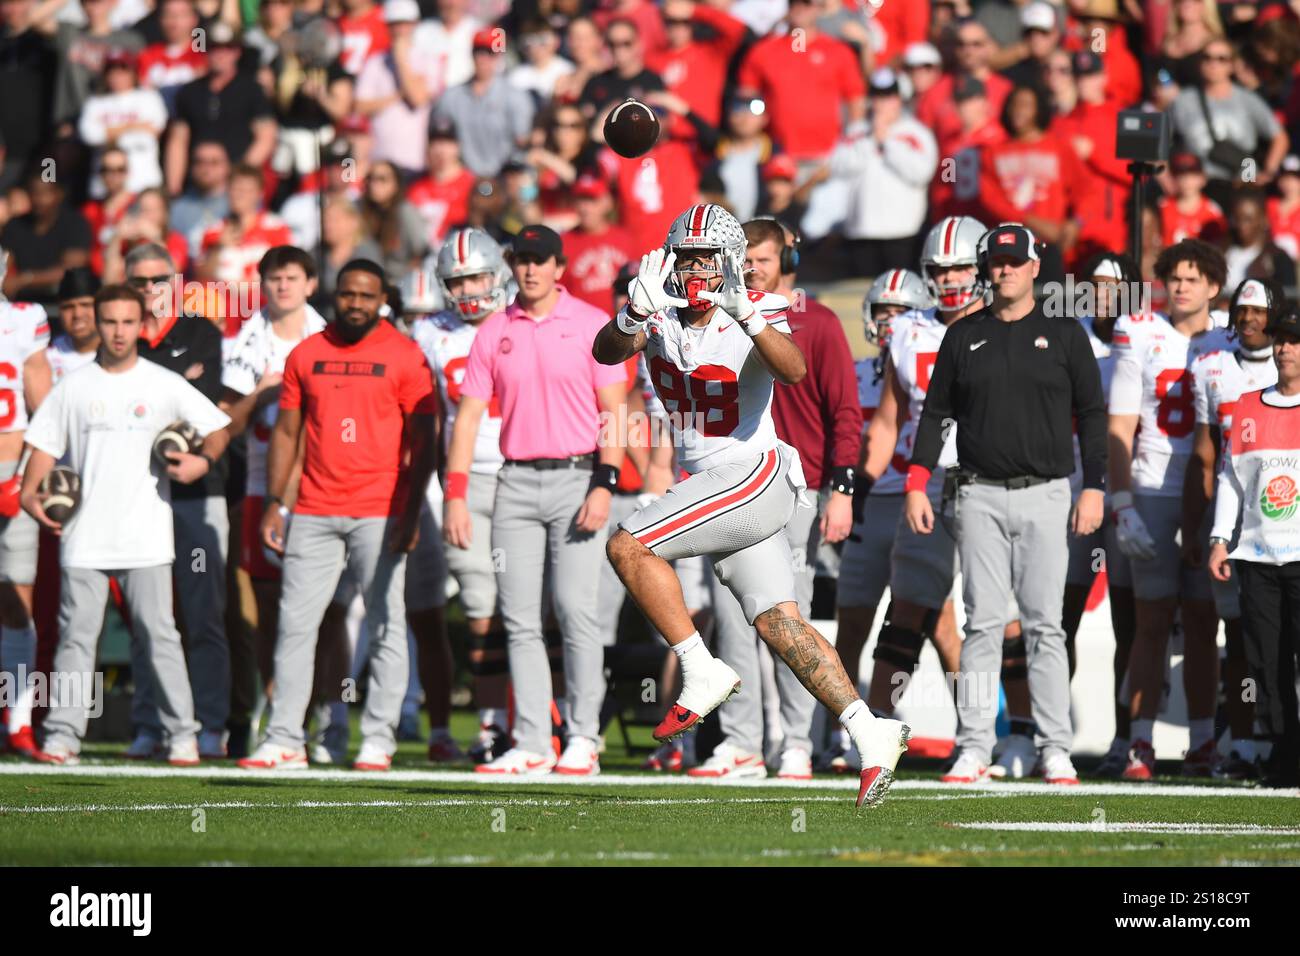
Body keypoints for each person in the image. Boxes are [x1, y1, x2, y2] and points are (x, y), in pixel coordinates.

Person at [593, 203, 910, 807]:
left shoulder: (757, 307)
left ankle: (700, 665)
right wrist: (634, 310)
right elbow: (607, 351)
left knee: (627, 544)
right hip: (716, 486)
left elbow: (792, 370)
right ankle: (871, 731)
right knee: (779, 624)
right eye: (685, 258)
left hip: (752, 473)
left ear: (730, 263)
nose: (693, 271)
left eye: (705, 259)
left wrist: (743, 311)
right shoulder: (656, 311)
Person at [904, 222, 1107, 787]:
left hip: (1047, 492)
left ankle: (1054, 746)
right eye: (995, 262)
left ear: (1035, 267)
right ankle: (973, 745)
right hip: (978, 494)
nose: (1004, 270)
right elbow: (935, 412)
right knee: (983, 625)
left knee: (1044, 625)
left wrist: (1095, 486)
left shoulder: (1066, 335)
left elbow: (1092, 413)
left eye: (1014, 261)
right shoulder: (963, 335)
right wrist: (917, 481)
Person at [22, 284, 232, 766]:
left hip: (147, 537)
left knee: (160, 637)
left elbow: (218, 429)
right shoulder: (73, 386)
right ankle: (62, 736)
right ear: (98, 323)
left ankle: (182, 735)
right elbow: (42, 454)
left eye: (127, 322)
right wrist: (36, 501)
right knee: (76, 640)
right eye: (110, 322)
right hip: (83, 538)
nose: (118, 332)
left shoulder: (162, 382)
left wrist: (202, 462)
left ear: (142, 325)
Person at [241, 258, 437, 771]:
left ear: (382, 300)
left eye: (366, 296)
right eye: (348, 294)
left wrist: (412, 512)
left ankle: (379, 738)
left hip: (381, 510)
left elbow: (425, 441)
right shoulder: (306, 354)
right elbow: (287, 432)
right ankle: (284, 738)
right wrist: (275, 504)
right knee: (295, 625)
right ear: (335, 295)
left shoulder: (405, 355)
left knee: (386, 621)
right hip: (312, 506)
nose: (355, 303)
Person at [444, 224, 625, 776]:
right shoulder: (494, 330)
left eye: (539, 260)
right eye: (521, 260)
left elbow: (613, 409)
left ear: (559, 267)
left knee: (575, 610)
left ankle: (583, 738)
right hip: (515, 482)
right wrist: (455, 493)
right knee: (519, 618)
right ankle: (530, 741)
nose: (529, 270)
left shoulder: (595, 325)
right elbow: (469, 415)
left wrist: (606, 481)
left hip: (577, 479)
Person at [857, 216, 984, 763]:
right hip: (924, 483)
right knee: (908, 609)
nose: (951, 279)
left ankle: (1002, 735)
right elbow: (888, 420)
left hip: (989, 482)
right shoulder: (910, 329)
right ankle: (879, 728)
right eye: (941, 269)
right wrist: (856, 484)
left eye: (961, 268)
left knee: (997, 618)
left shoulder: (1006, 324)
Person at [1107, 238, 1235, 779]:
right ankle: (1140, 741)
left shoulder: (1234, 333)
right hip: (1155, 488)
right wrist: (1121, 502)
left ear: (1212, 285)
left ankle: (1204, 741)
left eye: (1192, 277)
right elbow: (1120, 426)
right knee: (1150, 620)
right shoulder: (1139, 331)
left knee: (1205, 622)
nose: (1181, 286)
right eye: (1173, 277)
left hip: (1214, 495)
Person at [124, 242, 233, 759]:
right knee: (148, 617)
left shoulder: (201, 332)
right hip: (139, 493)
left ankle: (211, 723)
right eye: (139, 281)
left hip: (196, 488)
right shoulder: (120, 342)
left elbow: (204, 414)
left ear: (176, 281)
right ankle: (153, 722)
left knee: (203, 612)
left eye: (157, 279)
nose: (149, 290)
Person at [218, 245, 327, 753]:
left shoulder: (325, 336)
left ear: (309, 283)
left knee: (318, 608)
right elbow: (224, 427)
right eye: (274, 278)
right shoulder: (249, 339)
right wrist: (261, 394)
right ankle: (271, 704)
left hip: (319, 488)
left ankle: (322, 712)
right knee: (263, 608)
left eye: (292, 277)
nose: (283, 286)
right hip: (262, 485)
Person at [412, 228, 513, 763]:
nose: (470, 288)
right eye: (458, 280)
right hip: (463, 477)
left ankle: (549, 720)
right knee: (479, 607)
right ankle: (492, 724)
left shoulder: (524, 320)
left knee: (534, 608)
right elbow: (423, 417)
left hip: (525, 472)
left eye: (476, 275)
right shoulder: (431, 332)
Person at [830, 267, 932, 772]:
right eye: (883, 311)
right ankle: (844, 727)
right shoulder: (854, 370)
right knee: (852, 620)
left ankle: (985, 733)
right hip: (871, 502)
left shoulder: (931, 364)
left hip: (920, 501)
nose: (890, 321)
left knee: (937, 623)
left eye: (902, 311)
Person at [1185, 277, 1282, 779]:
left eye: (1259, 312)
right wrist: (1194, 526)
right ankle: (1245, 740)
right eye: (1241, 312)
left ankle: (1280, 740)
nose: (1249, 320)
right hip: (1237, 521)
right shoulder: (1213, 368)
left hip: (1286, 520)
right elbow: (1206, 458)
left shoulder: (1290, 366)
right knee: (1242, 639)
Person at [1208, 306, 1300, 788]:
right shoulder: (1248, 406)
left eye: (1294, 340)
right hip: (1258, 557)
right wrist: (1220, 539)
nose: (1284, 347)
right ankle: (1286, 758)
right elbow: (1231, 481)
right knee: (1268, 662)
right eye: (1281, 339)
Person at [1059, 251, 1138, 778]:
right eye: (1095, 284)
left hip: (1127, 487)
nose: (1103, 293)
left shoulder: (1146, 336)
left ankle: (1128, 737)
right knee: (1057, 614)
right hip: (1070, 486)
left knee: (1129, 621)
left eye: (1113, 284)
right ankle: (1051, 736)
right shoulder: (1069, 334)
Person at [0, 270, 50, 759]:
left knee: (16, 601)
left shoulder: (22, 320)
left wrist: (23, 480)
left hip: (10, 473)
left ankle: (18, 721)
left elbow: (45, 409)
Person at [825, 67, 938, 278]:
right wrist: (871, 140)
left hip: (903, 233)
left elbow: (921, 173)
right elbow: (839, 168)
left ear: (899, 99)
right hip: (860, 232)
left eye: (888, 97)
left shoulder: (916, 132)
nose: (882, 103)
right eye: (877, 97)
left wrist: (888, 142)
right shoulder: (856, 132)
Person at [165, 23, 277, 200]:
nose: (221, 54)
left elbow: (266, 137)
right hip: (196, 186)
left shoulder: (251, 89)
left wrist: (237, 176)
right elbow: (178, 141)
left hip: (237, 188)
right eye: (215, 48)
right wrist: (174, 188)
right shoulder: (189, 91)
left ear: (237, 52)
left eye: (228, 48)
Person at [432, 28, 535, 180]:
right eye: (479, 52)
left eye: (490, 53)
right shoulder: (451, 97)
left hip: (504, 179)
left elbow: (523, 143)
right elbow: (438, 141)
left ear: (499, 56)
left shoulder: (515, 97)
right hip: (463, 180)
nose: (483, 58)